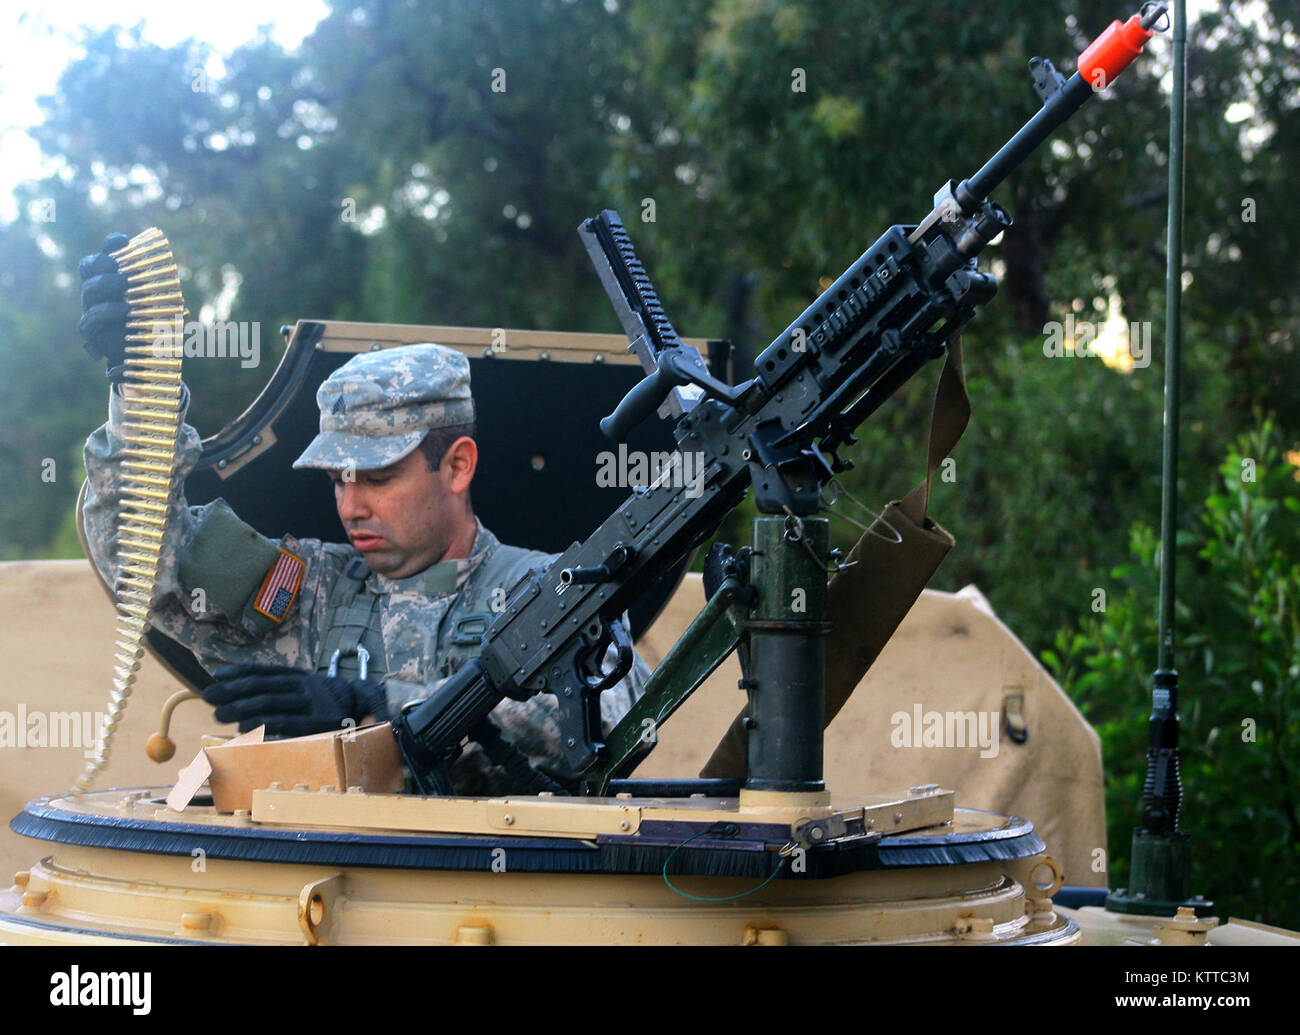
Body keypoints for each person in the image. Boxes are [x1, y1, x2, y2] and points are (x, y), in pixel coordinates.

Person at [76, 234, 649, 795]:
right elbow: (146, 554)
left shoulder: (548, 592)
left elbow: (618, 716)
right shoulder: (310, 593)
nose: (351, 506)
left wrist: (377, 709)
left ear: (456, 466)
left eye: (377, 478)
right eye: (338, 482)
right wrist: (141, 386)